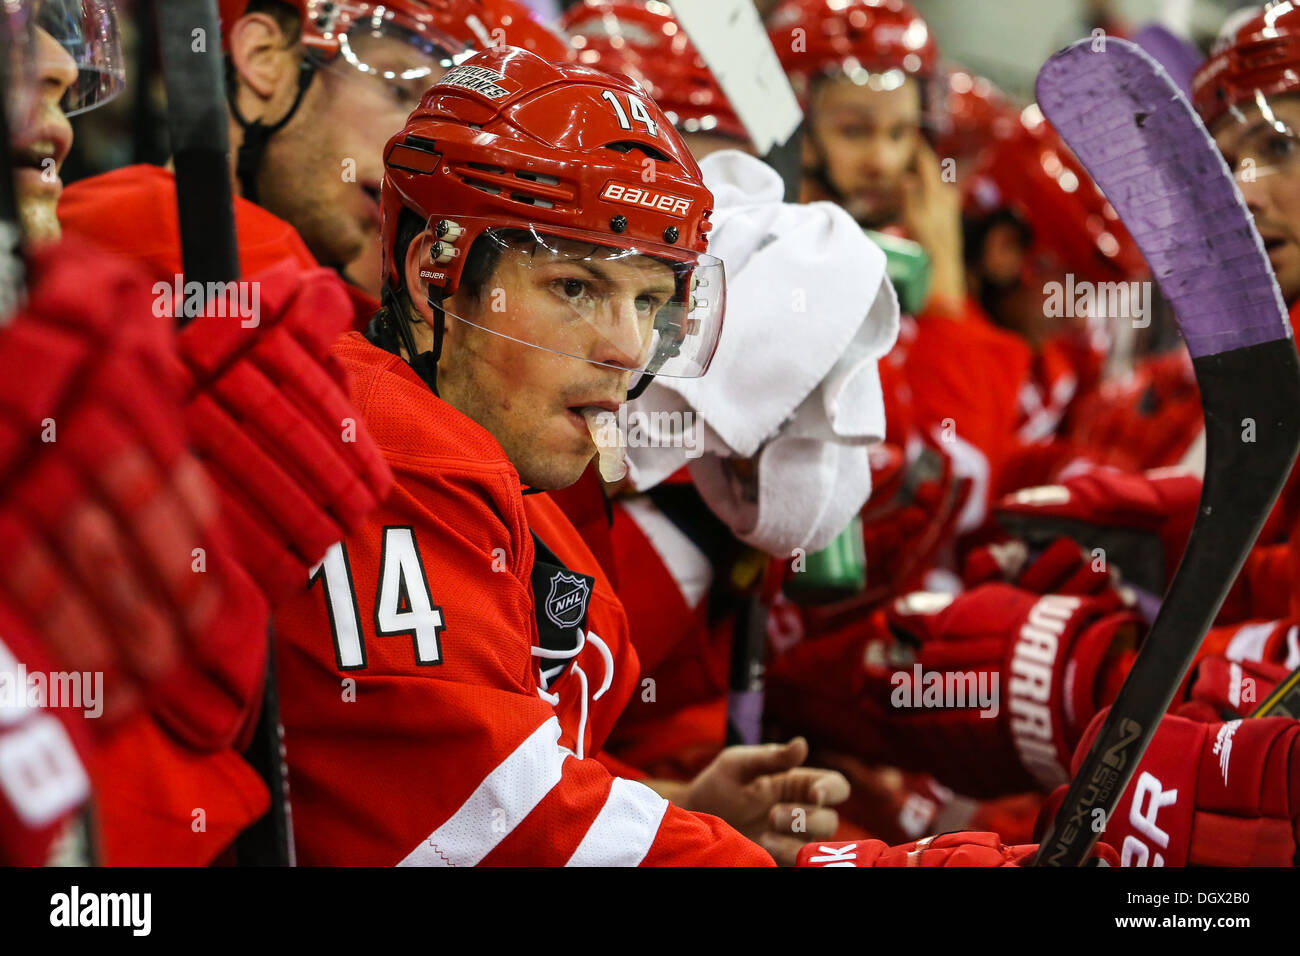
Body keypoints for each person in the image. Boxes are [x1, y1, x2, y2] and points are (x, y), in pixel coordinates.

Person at [272, 44, 861, 866]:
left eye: (652, 301)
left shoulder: (523, 495)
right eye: (576, 288)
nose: (627, 350)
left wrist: (673, 805)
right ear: (432, 275)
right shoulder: (381, 453)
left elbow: (502, 771)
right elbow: (484, 830)